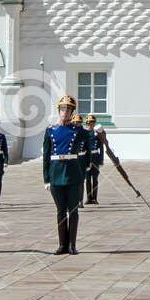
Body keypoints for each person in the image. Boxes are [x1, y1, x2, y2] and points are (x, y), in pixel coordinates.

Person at [42, 94, 91, 254]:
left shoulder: (78, 131)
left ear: (72, 112)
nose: (65, 112)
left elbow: (90, 142)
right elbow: (46, 156)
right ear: (59, 110)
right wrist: (46, 178)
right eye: (63, 109)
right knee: (60, 210)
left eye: (68, 109)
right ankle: (62, 244)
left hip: (73, 174)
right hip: (56, 174)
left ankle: (72, 245)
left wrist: (100, 133)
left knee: (73, 210)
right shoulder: (50, 131)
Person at [82, 113, 105, 205]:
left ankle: (95, 198)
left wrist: (101, 159)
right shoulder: (84, 134)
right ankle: (88, 198)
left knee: (95, 179)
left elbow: (101, 147)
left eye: (92, 123)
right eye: (88, 123)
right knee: (87, 179)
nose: (90, 124)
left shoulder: (97, 134)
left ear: (94, 124)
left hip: (95, 157)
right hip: (87, 158)